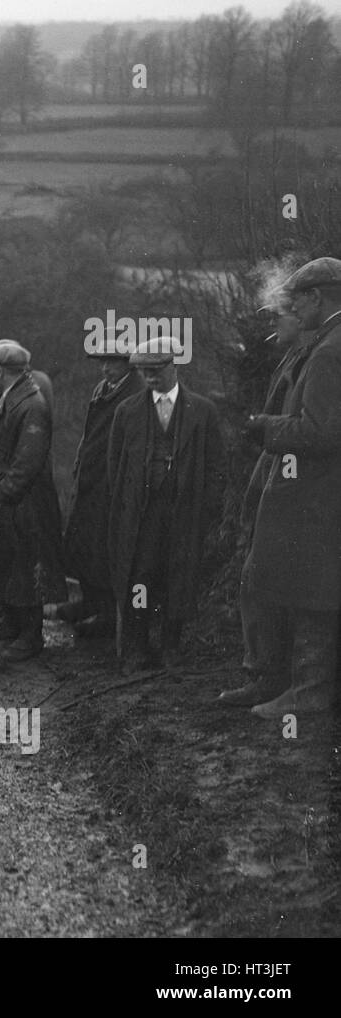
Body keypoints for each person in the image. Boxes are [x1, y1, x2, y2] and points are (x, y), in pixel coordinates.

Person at [229, 257, 341, 717]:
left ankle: (310, 694)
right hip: (318, 491)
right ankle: (295, 686)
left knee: (313, 589)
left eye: (295, 300)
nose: (290, 308)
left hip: (318, 493)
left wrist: (265, 426)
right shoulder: (328, 344)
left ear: (316, 298)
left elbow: (320, 432)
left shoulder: (330, 351)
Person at [107, 338, 225, 672]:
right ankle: (138, 646)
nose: (149, 378)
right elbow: (114, 468)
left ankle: (172, 646)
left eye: (156, 370)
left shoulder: (202, 411)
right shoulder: (126, 412)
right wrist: (124, 510)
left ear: (173, 367)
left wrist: (207, 509)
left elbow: (217, 466)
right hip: (141, 515)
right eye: (144, 371)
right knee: (140, 577)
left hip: (185, 512)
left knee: (179, 576)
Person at [0, 340, 55, 666]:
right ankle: (12, 623)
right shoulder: (4, 399)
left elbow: (27, 462)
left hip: (25, 502)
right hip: (7, 499)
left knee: (27, 565)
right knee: (7, 562)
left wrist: (3, 495)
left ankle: (31, 636)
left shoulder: (31, 405)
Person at [61, 346, 142, 638]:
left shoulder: (135, 390)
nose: (106, 368)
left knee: (104, 546)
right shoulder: (102, 388)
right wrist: (80, 458)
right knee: (83, 540)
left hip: (111, 478)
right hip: (91, 474)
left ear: (128, 365)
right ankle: (90, 600)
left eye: (113, 363)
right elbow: (89, 430)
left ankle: (107, 613)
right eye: (103, 362)